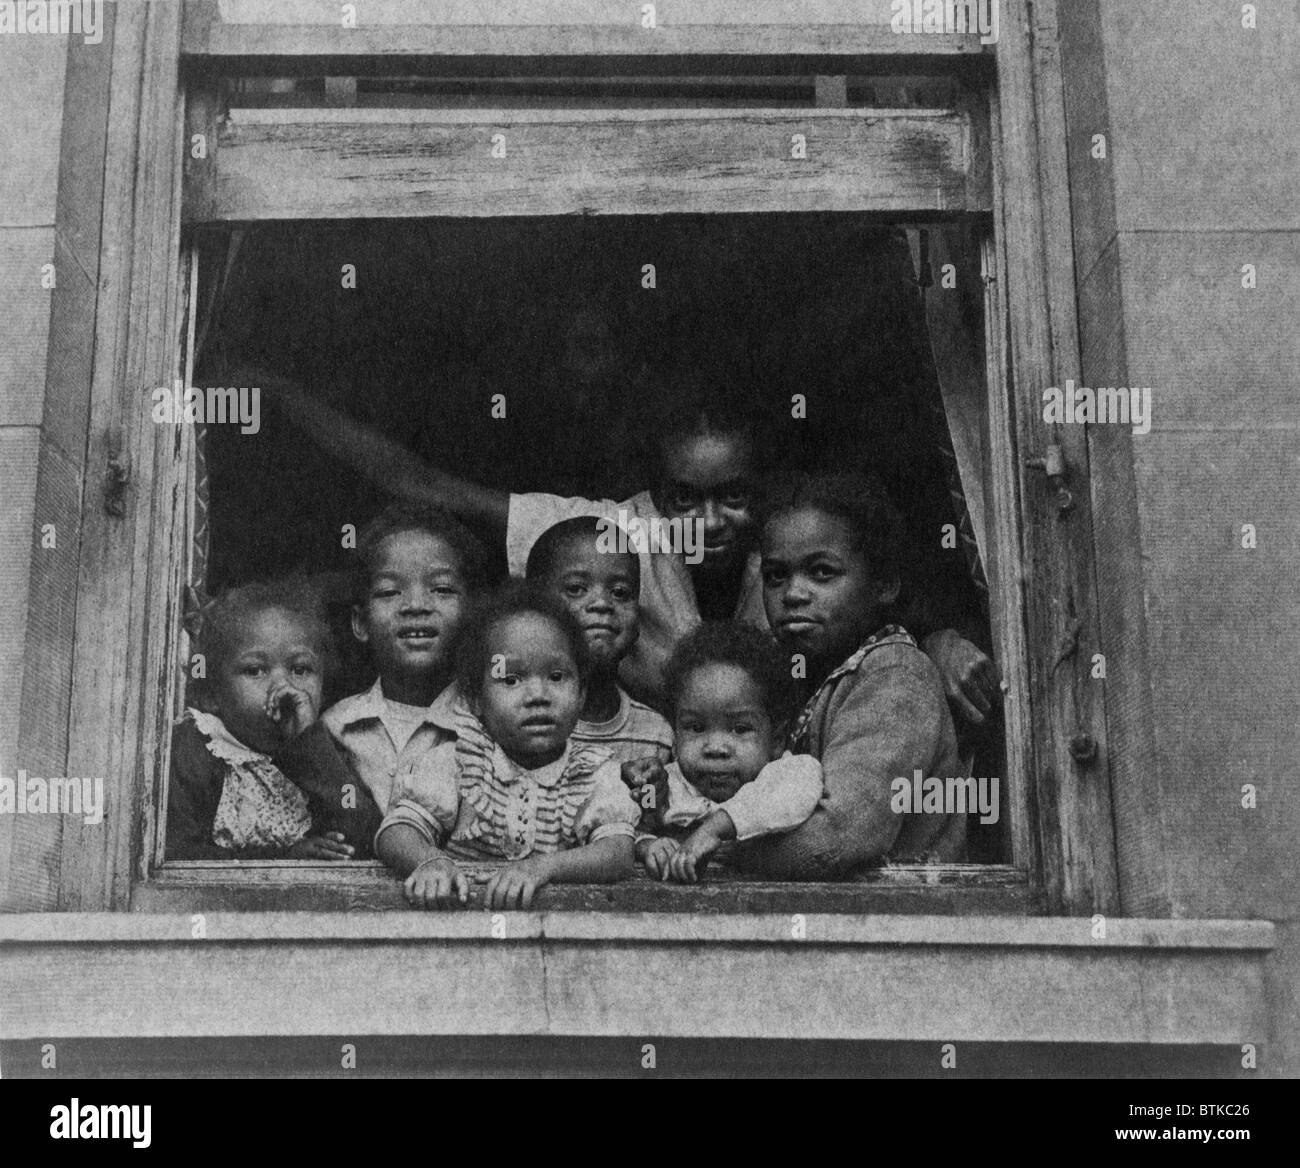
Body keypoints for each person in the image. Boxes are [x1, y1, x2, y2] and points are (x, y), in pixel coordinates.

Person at [260, 366, 1000, 718]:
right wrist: (278, 387)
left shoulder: (791, 539)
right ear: (653, 492)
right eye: (687, 499)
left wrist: (938, 636)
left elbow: (878, 580)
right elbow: (422, 485)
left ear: (764, 486)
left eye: (733, 496)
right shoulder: (614, 533)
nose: (712, 521)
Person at [739, 472, 966, 879]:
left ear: (884, 584)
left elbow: (834, 839)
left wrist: (714, 849)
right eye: (775, 576)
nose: (793, 594)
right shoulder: (808, 675)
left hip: (901, 928)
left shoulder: (896, 676)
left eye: (821, 573)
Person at [375, 585, 640, 909]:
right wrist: (429, 861)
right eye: (511, 680)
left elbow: (618, 852)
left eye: (557, 676)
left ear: (582, 692)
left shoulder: (593, 774)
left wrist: (545, 867)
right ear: (475, 700)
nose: (538, 695)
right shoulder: (459, 764)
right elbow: (397, 830)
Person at [166, 579, 381, 861]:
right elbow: (176, 854)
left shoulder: (325, 750)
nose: (283, 687)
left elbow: (367, 836)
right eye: (255, 670)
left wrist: (310, 745)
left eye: (301, 669)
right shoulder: (197, 748)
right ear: (212, 695)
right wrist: (284, 858)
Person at [322, 503, 487, 814]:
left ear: (471, 615)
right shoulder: (336, 729)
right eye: (389, 592)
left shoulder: (490, 725)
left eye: (441, 588)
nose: (416, 605)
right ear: (360, 623)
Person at [634, 621, 823, 884]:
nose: (716, 748)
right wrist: (647, 846)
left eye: (740, 729)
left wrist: (715, 828)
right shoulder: (669, 784)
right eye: (696, 728)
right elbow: (624, 826)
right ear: (675, 736)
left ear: (776, 740)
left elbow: (798, 793)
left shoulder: (786, 774)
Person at [524, 517, 673, 766]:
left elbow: (653, 803)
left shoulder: (656, 736)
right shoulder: (512, 714)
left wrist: (650, 795)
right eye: (576, 589)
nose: (602, 604)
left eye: (619, 593)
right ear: (531, 609)